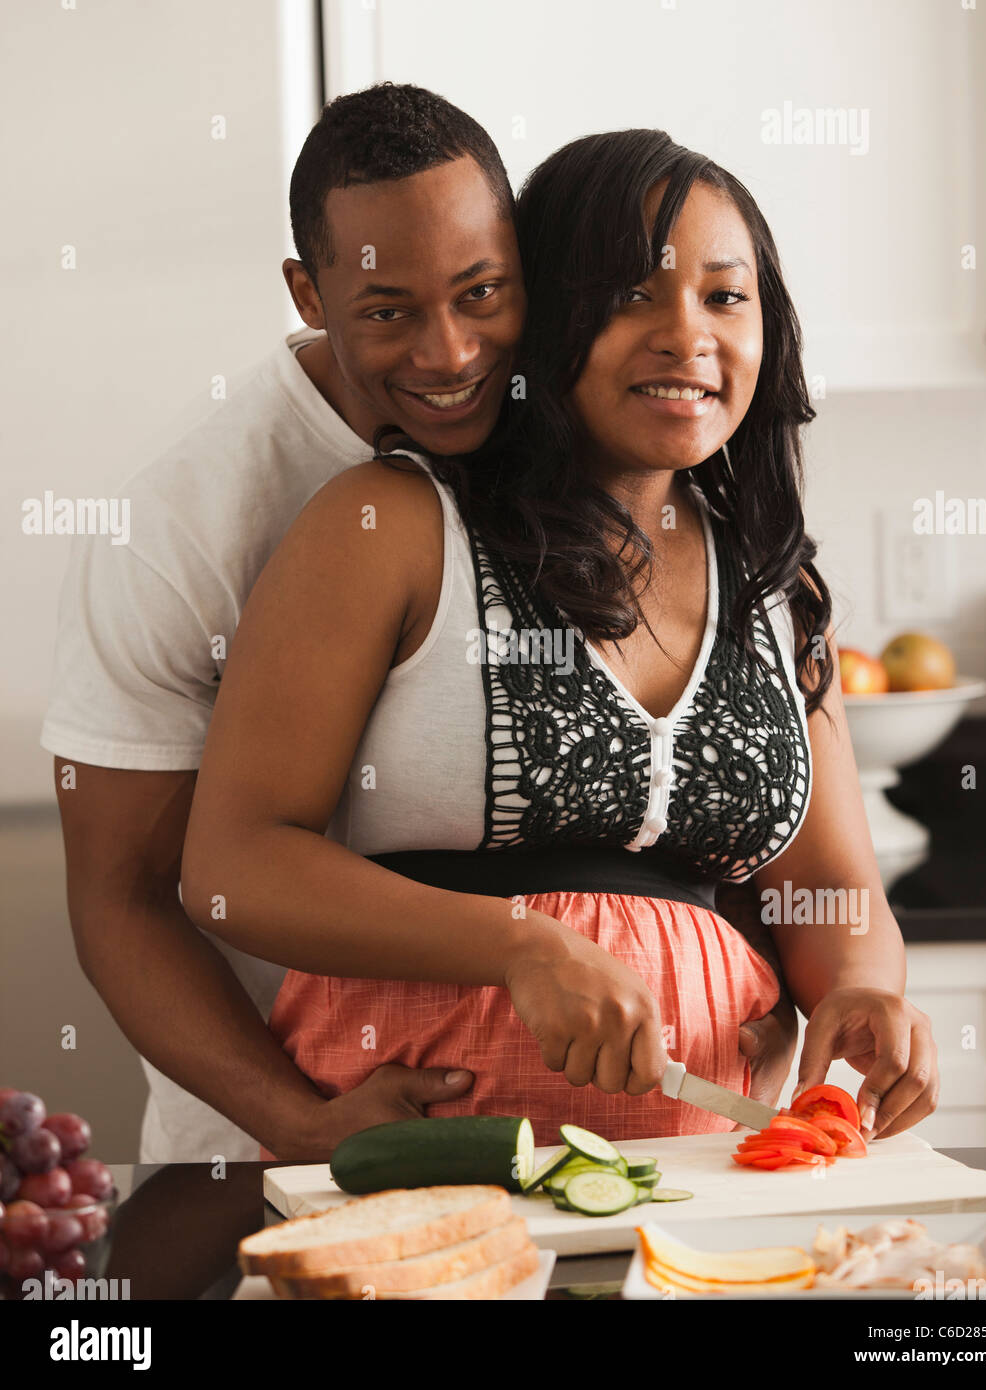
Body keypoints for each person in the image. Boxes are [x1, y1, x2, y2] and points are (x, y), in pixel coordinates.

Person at [41, 88, 794, 1163]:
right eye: (389, 311)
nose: (449, 354)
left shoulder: (574, 476)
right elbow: (125, 898)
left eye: (482, 293)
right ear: (309, 292)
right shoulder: (179, 529)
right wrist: (300, 1124)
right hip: (273, 1105)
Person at [180, 128, 937, 1151]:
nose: (686, 335)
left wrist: (861, 988)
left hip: (708, 1173)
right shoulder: (389, 528)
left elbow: (833, 886)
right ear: (546, 316)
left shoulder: (777, 589)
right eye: (631, 295)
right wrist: (521, 945)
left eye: (724, 296)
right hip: (429, 1167)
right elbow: (236, 863)